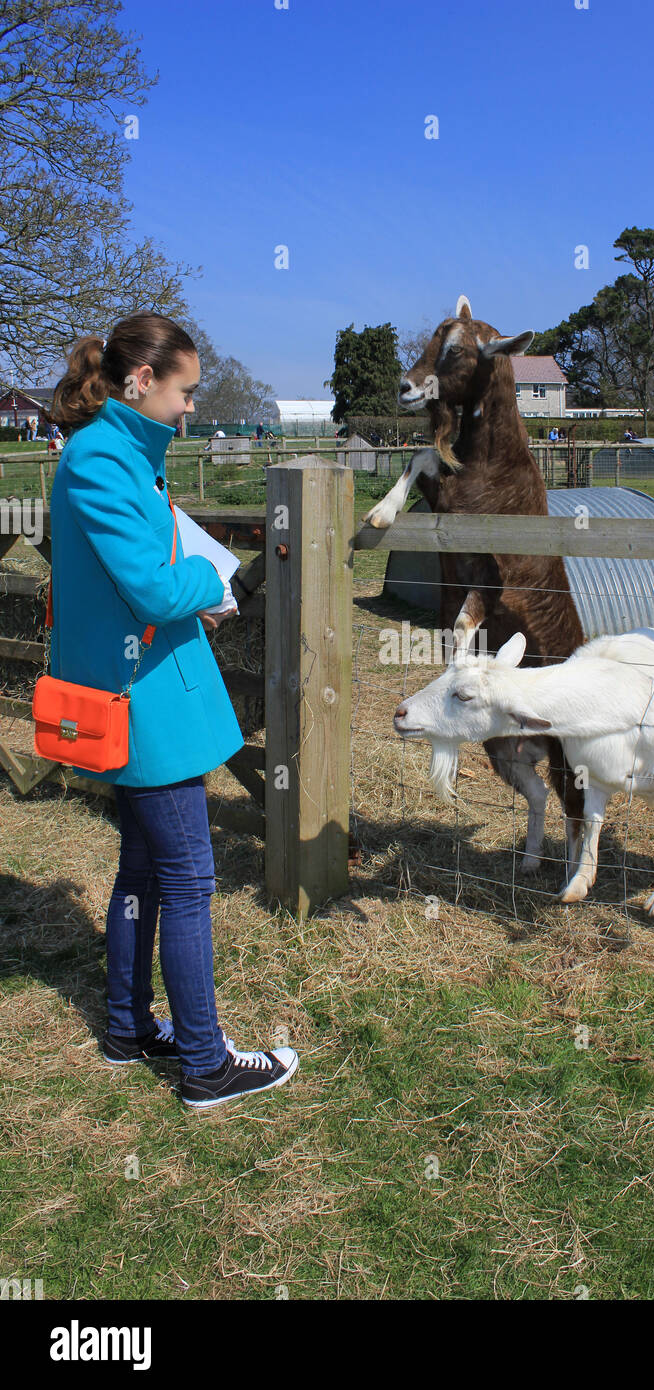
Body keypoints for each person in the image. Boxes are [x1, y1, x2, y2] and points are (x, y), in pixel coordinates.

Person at [48, 312, 299, 1109]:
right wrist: (210, 583)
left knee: (144, 870)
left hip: (142, 692)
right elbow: (155, 587)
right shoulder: (101, 462)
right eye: (186, 392)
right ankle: (204, 1064)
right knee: (191, 879)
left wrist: (183, 578)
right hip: (145, 703)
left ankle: (126, 1028)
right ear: (141, 381)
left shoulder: (120, 456)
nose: (193, 407)